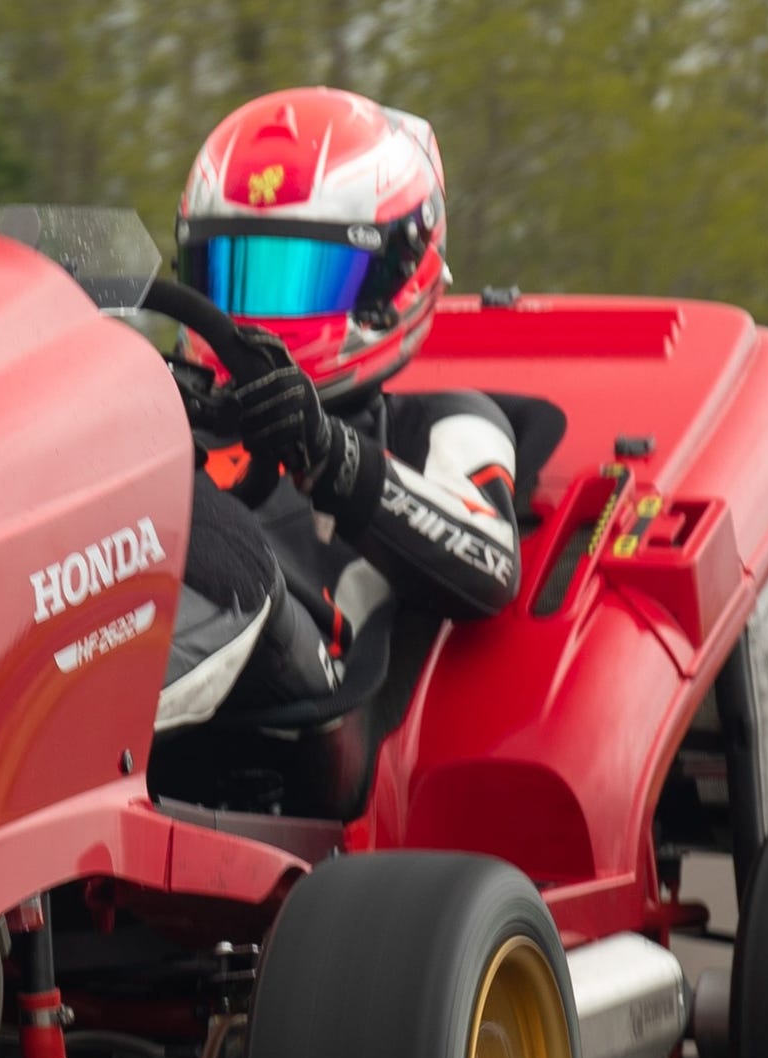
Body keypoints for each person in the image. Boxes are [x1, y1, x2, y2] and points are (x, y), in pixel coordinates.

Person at [157, 88, 529, 734]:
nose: (256, 315)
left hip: (302, 711)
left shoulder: (443, 423)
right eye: (231, 274)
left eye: (299, 280)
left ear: (398, 274)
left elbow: (490, 559)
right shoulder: (168, 403)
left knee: (218, 547)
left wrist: (327, 451)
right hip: (136, 645)